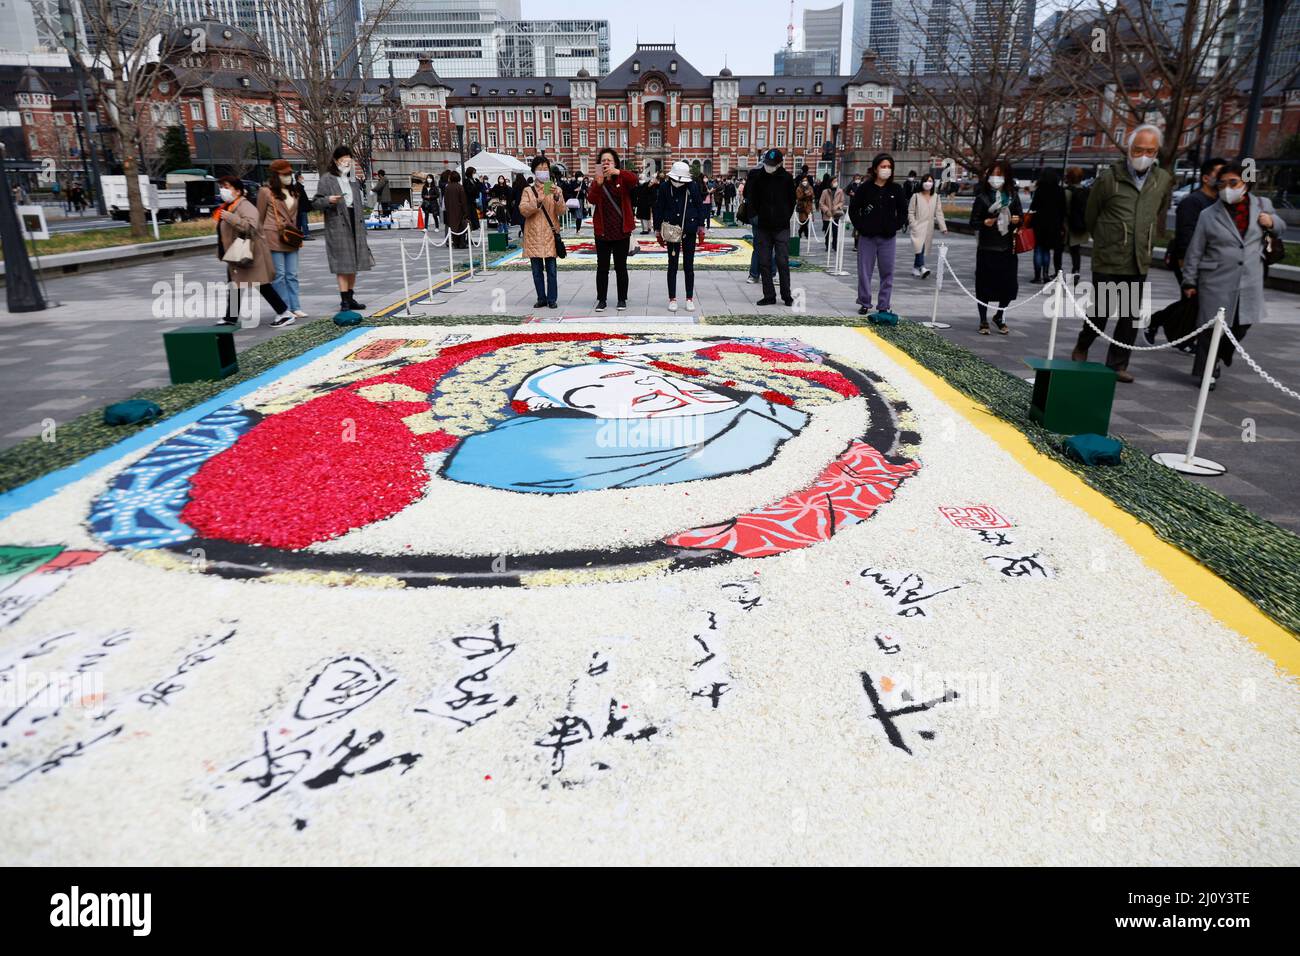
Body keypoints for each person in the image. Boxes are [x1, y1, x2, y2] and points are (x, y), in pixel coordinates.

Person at [1070, 124, 1173, 383]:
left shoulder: (1162, 180)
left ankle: (1117, 364)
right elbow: (1091, 214)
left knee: (1130, 315)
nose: (1143, 155)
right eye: (1138, 149)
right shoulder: (1109, 178)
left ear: (1157, 151)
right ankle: (1083, 345)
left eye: (1150, 150)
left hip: (1138, 259)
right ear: (1129, 148)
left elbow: (1159, 209)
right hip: (1109, 257)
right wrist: (1108, 237)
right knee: (1101, 311)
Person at [1180, 161, 1284, 387]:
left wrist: (1271, 221)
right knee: (1211, 328)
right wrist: (1189, 280)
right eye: (1222, 184)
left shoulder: (1262, 204)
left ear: (1244, 182)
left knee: (1240, 325)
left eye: (1233, 182)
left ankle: (1220, 356)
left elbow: (1280, 227)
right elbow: (1195, 249)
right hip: (1215, 278)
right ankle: (1207, 373)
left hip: (1249, 278)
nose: (1227, 188)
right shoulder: (1209, 214)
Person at [213, 176, 296, 328]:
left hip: (249, 253)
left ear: (237, 191)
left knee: (260, 285)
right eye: (221, 187)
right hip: (238, 254)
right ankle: (230, 317)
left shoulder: (244, 206)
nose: (223, 190)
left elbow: (251, 227)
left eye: (226, 187)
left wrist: (231, 218)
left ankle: (284, 313)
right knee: (236, 284)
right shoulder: (229, 206)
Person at [311, 145, 374, 312]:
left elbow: (359, 204)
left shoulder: (352, 180)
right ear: (335, 161)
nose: (346, 164)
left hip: (355, 223)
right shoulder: (327, 179)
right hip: (338, 225)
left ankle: (350, 296)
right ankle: (344, 300)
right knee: (342, 265)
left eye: (349, 160)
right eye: (343, 161)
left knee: (354, 264)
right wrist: (329, 200)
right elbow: (316, 202)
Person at [849, 152, 907, 316]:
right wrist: (861, 226)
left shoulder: (896, 189)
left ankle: (884, 304)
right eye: (883, 166)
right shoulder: (865, 188)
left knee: (887, 271)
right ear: (875, 169)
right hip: (867, 237)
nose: (886, 169)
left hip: (888, 238)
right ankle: (865, 301)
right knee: (864, 271)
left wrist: (895, 226)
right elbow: (854, 210)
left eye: (889, 167)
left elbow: (903, 212)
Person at [969, 160, 1023, 334]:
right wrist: (984, 222)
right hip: (987, 247)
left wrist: (1017, 220)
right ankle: (983, 320)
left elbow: (1021, 217)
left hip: (1007, 248)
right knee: (984, 286)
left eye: (1000, 174)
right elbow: (973, 222)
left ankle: (999, 315)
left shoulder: (1013, 196)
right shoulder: (982, 197)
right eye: (993, 173)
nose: (996, 178)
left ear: (1007, 176)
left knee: (1008, 287)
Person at [743, 148, 797, 306]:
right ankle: (769, 295)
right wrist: (756, 217)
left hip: (781, 227)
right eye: (767, 163)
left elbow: (791, 201)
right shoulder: (759, 177)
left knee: (782, 261)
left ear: (779, 164)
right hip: (763, 227)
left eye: (772, 164)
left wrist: (784, 216)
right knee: (764, 261)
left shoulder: (787, 178)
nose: (769, 166)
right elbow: (752, 199)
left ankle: (786, 295)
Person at [654, 160, 708, 313]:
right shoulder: (665, 187)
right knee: (672, 265)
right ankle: (672, 298)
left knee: (688, 266)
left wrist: (701, 227)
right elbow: (659, 208)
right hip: (671, 230)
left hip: (689, 230)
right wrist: (657, 230)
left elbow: (699, 207)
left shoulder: (692, 187)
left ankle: (689, 298)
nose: (677, 182)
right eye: (675, 179)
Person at [256, 159, 307, 320]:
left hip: (291, 236)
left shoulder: (294, 192)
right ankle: (284, 308)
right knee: (279, 274)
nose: (288, 177)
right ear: (276, 175)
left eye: (289, 174)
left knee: (292, 274)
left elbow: (298, 214)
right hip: (273, 236)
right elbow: (259, 216)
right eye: (284, 174)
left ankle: (296, 306)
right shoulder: (266, 192)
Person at [590, 147, 638, 312]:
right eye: (603, 161)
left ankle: (621, 299)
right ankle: (601, 300)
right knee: (602, 268)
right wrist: (598, 184)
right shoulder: (597, 180)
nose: (606, 163)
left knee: (621, 267)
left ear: (615, 162)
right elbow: (592, 199)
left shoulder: (622, 178)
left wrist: (618, 171)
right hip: (603, 231)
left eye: (609, 160)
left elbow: (634, 180)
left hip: (621, 231)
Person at [518, 154, 567, 310]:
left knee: (552, 271)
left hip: (550, 235)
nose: (543, 171)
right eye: (539, 169)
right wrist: (537, 201)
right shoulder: (528, 190)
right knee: (537, 271)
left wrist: (557, 197)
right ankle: (541, 298)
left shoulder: (555, 188)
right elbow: (523, 210)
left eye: (545, 168)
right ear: (534, 171)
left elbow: (562, 211)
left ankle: (552, 299)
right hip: (533, 235)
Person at [1170, 156, 1227, 286]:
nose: (1223, 178)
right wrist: (1186, 265)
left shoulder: (1221, 202)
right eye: (1219, 174)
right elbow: (1185, 235)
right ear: (1205, 178)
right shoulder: (1192, 202)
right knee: (1192, 303)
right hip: (1193, 264)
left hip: (1211, 263)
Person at [1028, 167, 1066, 283]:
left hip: (1039, 222)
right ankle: (1045, 273)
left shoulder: (1040, 190)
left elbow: (1033, 206)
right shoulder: (1060, 190)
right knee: (1046, 249)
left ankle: (1037, 275)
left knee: (1038, 249)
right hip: (1054, 223)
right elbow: (1063, 209)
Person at [906, 172, 946, 278]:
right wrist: (913, 224)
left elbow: (939, 212)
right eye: (925, 181)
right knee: (920, 246)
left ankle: (915, 267)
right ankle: (922, 267)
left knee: (921, 248)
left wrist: (943, 227)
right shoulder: (916, 196)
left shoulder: (936, 197)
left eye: (930, 181)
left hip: (929, 227)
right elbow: (910, 211)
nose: (928, 183)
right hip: (917, 226)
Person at [1062, 166, 1090, 280]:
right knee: (1076, 250)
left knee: (1061, 249)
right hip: (1080, 224)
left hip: (1068, 225)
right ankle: (1076, 270)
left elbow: (1064, 210)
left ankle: (1058, 272)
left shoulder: (1067, 192)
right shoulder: (1086, 191)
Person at [442, 169, 471, 248]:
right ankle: (462, 243)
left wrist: (447, 209)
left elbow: (445, 200)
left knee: (453, 227)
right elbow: (463, 200)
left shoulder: (447, 187)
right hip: (459, 210)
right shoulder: (460, 187)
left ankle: (456, 243)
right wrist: (465, 211)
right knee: (461, 227)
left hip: (450, 210)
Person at [819, 174, 846, 252]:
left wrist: (837, 206)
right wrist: (826, 210)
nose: (835, 182)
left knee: (835, 231)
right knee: (827, 232)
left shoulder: (840, 191)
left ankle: (835, 245)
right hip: (827, 215)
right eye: (834, 181)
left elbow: (842, 201)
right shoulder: (825, 191)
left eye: (836, 181)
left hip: (836, 214)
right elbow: (821, 203)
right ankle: (827, 245)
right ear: (830, 182)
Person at [292, 172, 313, 241]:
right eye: (302, 177)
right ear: (299, 178)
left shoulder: (298, 186)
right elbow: (298, 199)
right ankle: (306, 235)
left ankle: (299, 235)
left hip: (300, 208)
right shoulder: (298, 187)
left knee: (300, 222)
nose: (303, 178)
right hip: (301, 208)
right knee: (304, 222)